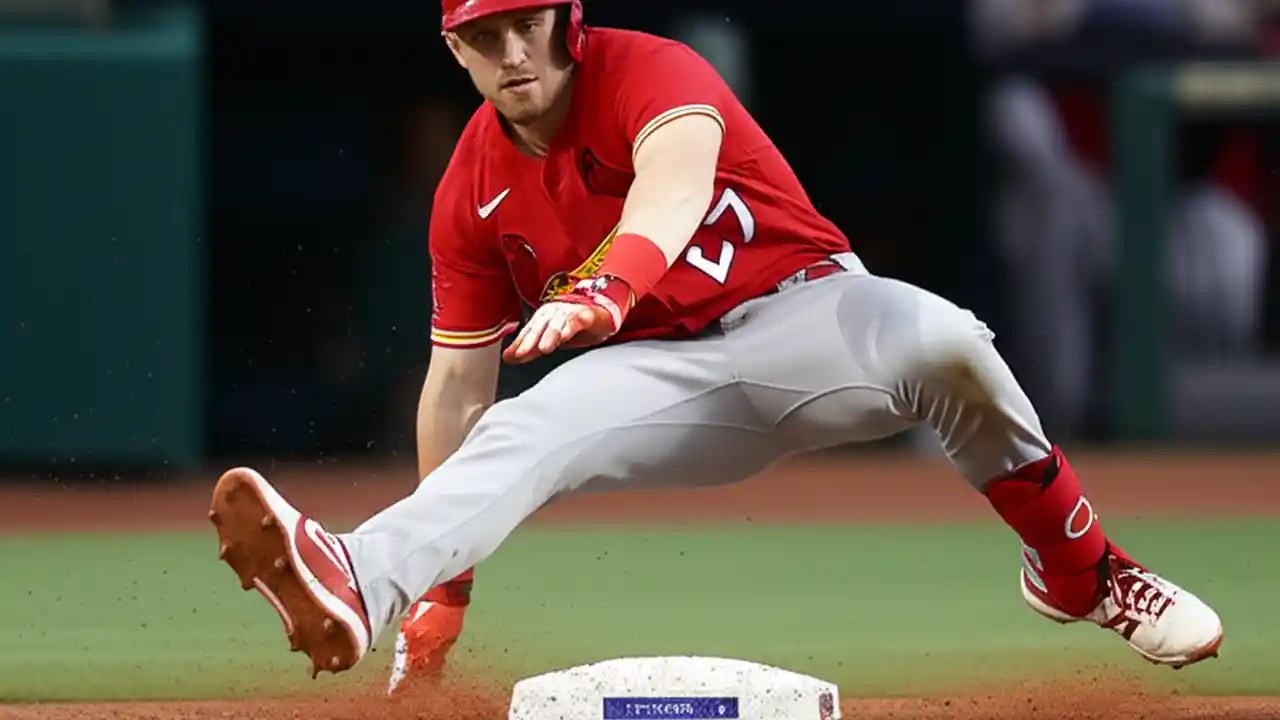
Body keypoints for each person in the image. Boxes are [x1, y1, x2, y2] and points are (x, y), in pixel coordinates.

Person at [208, 0, 1225, 693]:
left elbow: (673, 186)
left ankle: (1080, 571)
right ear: (455, 51)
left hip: (807, 319)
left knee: (946, 342)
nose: (512, 52)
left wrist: (609, 286)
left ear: (566, 22)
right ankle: (363, 576)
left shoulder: (647, 68)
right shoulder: (467, 192)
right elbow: (456, 392)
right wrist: (447, 587)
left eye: (528, 24)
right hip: (661, 377)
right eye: (486, 34)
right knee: (530, 423)